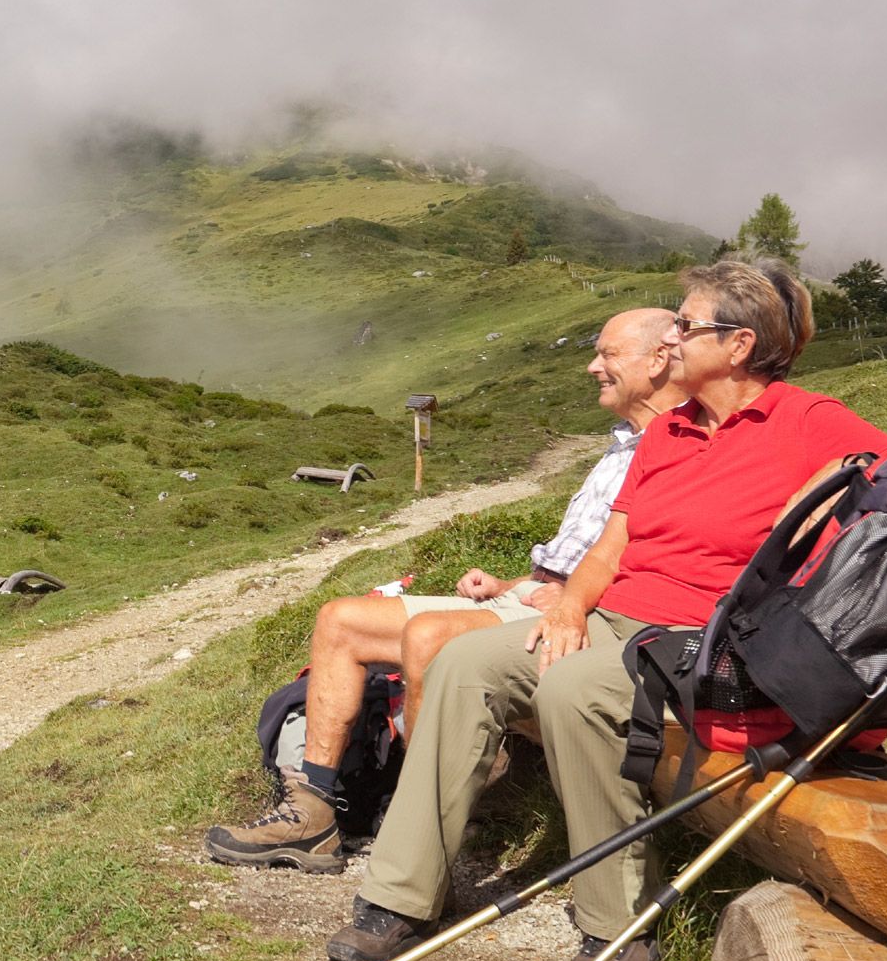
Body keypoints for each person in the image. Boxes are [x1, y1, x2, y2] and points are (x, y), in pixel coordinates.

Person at [324, 259, 887, 961]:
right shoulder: (670, 435)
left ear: (738, 345)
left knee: (574, 688)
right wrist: (568, 607)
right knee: (469, 661)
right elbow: (611, 547)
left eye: (686, 328)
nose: (672, 341)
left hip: (713, 640)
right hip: (616, 617)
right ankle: (400, 896)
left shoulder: (809, 422)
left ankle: (618, 921)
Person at [205, 307, 677, 871]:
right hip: (538, 594)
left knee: (430, 638)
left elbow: (660, 560)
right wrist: (512, 584)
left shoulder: (683, 445)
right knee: (340, 620)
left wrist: (576, 598)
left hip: (583, 614)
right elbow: (585, 552)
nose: (592, 365)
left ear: (660, 358)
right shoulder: (625, 440)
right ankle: (314, 814)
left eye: (608, 354)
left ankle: (415, 828)